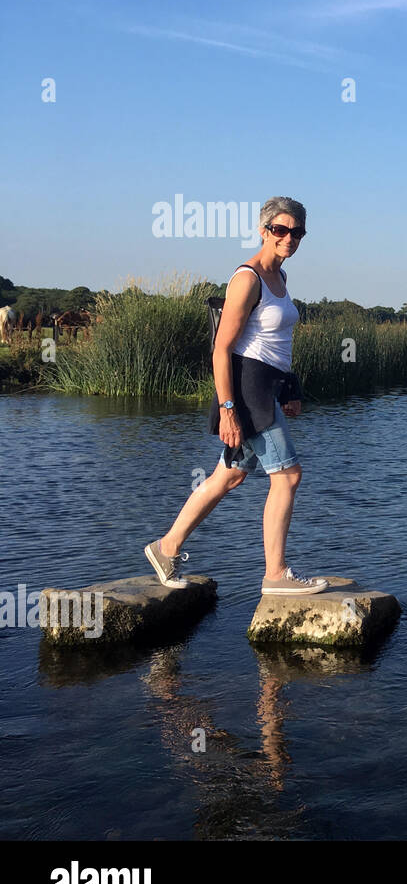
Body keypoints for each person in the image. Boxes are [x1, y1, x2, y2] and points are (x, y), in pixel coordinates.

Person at [144, 196, 327, 596]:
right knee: (288, 476)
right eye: (280, 229)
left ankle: (166, 547)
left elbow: (276, 342)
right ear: (264, 231)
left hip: (268, 386)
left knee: (229, 476)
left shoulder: (279, 277)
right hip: (246, 391)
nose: (289, 237)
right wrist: (228, 409)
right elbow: (221, 348)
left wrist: (291, 388)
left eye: (297, 231)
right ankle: (275, 575)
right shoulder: (248, 278)